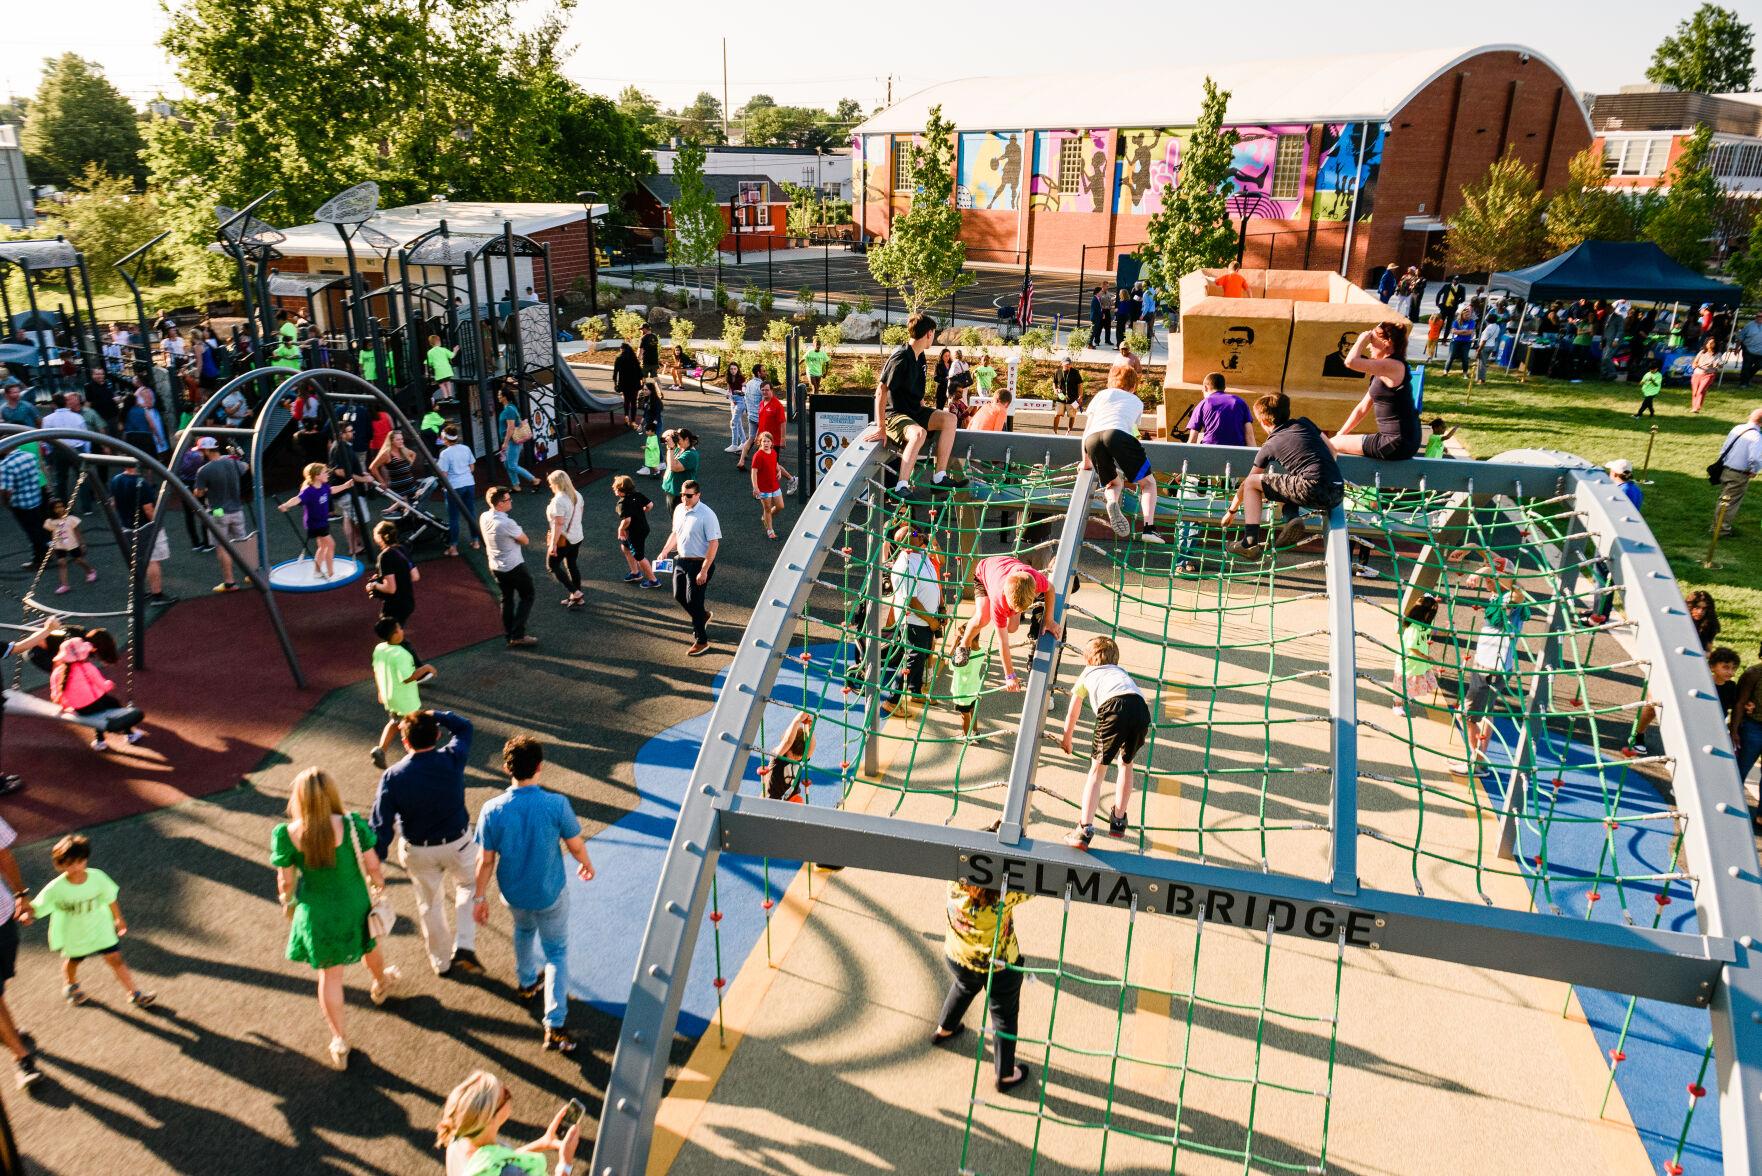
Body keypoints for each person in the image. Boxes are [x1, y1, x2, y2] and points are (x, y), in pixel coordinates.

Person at [272, 767, 401, 1069]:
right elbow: (373, 866)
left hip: (316, 912)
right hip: (353, 903)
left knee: (330, 976)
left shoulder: (286, 834)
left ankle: (339, 1040)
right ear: (331, 793)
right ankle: (381, 983)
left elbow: (286, 883)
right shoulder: (351, 825)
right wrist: (378, 886)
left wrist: (287, 901)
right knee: (370, 944)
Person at [473, 736, 594, 1052]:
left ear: (506, 768)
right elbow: (575, 843)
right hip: (549, 892)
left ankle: (527, 982)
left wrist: (479, 897)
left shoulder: (491, 810)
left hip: (513, 893)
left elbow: (485, 861)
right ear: (540, 767)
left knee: (523, 930)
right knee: (556, 952)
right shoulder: (555, 805)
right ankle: (555, 1024)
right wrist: (585, 864)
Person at [370, 706, 486, 982]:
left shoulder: (393, 777)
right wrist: (437, 714)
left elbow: (381, 824)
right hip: (457, 842)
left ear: (405, 742)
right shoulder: (452, 758)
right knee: (469, 885)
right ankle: (465, 945)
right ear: (436, 735)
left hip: (418, 850)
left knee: (429, 903)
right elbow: (465, 726)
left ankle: (441, 962)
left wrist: (376, 860)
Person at [931, 881, 1031, 1094]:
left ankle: (945, 1029)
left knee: (963, 987)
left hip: (959, 957)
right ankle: (1004, 1074)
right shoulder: (1006, 894)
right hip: (1001, 966)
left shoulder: (954, 884)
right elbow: (1033, 888)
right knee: (1004, 1016)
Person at [35, 835, 154, 1010]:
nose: (75, 867)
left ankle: (134, 993)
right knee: (74, 960)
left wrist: (118, 918)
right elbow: (39, 906)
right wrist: (26, 914)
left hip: (101, 929)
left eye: (80, 862)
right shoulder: (56, 888)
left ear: (86, 860)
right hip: (75, 933)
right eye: (69, 864)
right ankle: (70, 984)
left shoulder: (97, 877)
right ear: (59, 865)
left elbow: (110, 898)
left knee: (115, 958)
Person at [1223, 393, 1346, 556]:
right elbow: (1333, 450)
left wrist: (1231, 511)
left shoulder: (1269, 445)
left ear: (1265, 421)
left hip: (1311, 487)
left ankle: (1250, 541)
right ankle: (1291, 517)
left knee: (1253, 482)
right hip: (1337, 491)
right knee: (1281, 485)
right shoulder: (1304, 422)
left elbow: (1247, 484)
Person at [1057, 636, 1150, 849]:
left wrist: (1067, 737)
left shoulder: (1088, 672)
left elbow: (1074, 709)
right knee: (1126, 764)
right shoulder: (1121, 672)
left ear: (1088, 659)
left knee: (1097, 772)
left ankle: (1084, 829)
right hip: (1140, 708)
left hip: (1113, 708)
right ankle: (1118, 819)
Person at [865, 315, 965, 495]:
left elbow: (916, 388)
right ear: (929, 333)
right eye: (933, 334)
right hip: (895, 414)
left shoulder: (920, 356)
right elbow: (880, 391)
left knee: (950, 419)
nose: (933, 338)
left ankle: (939, 477)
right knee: (919, 433)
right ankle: (901, 485)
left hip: (914, 410)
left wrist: (926, 411)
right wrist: (880, 427)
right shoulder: (901, 357)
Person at [435, 1070, 581, 1176]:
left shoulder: (458, 1141)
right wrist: (565, 1164)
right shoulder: (507, 1173)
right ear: (490, 1119)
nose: (509, 1093)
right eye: (505, 1094)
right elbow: (509, 1167)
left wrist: (544, 1142)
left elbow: (507, 1159)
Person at [947, 554, 1060, 690]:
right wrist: (1010, 676)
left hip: (1008, 568)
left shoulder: (1035, 579)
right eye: (1012, 608)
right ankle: (964, 644)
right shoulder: (998, 600)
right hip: (984, 573)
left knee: (1012, 628)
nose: (1013, 611)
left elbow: (1051, 589)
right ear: (1006, 596)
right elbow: (1003, 642)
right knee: (983, 618)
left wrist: (1049, 620)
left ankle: (1012, 610)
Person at [1084, 368, 1164, 544]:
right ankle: (1149, 528)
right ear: (1134, 385)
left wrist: (1086, 463)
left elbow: (1087, 430)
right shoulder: (1135, 401)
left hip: (1092, 439)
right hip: (1118, 435)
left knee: (1113, 482)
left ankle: (1111, 502)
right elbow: (1131, 431)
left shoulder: (1101, 395)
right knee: (1148, 484)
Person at [878, 524, 943, 717]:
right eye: (914, 534)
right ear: (905, 542)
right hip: (914, 621)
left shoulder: (922, 556)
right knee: (912, 660)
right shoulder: (904, 565)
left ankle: (915, 692)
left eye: (917, 531)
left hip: (928, 618)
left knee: (920, 657)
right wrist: (931, 620)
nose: (920, 534)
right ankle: (891, 701)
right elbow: (911, 601)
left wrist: (940, 608)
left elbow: (934, 582)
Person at [1333, 323, 1421, 461]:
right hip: (1399, 440)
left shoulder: (1393, 365)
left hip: (1397, 441)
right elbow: (1362, 408)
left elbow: (1350, 362)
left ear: (1386, 343)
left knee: (1330, 444)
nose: (1368, 346)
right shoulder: (1382, 370)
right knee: (1335, 441)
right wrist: (1341, 434)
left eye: (1371, 341)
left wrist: (1361, 339)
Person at [49, 628, 144, 750]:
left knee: (98, 712)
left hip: (81, 709)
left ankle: (100, 741)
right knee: (113, 703)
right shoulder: (87, 667)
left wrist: (67, 707)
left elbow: (56, 693)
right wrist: (109, 684)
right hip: (95, 705)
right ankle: (129, 733)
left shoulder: (57, 672)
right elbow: (102, 685)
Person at [655, 480, 720, 657]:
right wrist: (665, 551)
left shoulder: (707, 515)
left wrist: (704, 570)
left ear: (698, 495)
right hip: (682, 560)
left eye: (689, 495)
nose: (684, 498)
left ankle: (702, 640)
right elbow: (675, 533)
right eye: (682, 495)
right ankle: (702, 616)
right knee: (678, 595)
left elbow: (714, 544)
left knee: (693, 601)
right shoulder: (678, 509)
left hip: (700, 563)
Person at [368, 614, 437, 765]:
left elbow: (376, 670)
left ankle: (381, 749)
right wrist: (426, 668)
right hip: (405, 700)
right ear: (394, 634)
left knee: (394, 722)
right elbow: (408, 677)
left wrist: (380, 691)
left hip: (389, 696)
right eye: (399, 628)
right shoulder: (401, 654)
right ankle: (416, 756)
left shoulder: (379, 649)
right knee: (412, 728)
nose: (401, 630)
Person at [194, 437, 253, 591]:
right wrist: (238, 455)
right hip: (237, 509)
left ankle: (229, 582)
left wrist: (203, 489)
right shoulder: (233, 462)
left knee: (222, 547)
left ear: (207, 450)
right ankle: (251, 574)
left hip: (218, 511)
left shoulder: (204, 470)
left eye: (201, 450)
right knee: (242, 542)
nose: (200, 454)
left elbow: (199, 493)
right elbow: (247, 466)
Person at [480, 486, 537, 647]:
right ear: (499, 504)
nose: (510, 501)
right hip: (514, 566)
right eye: (507, 500)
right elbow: (525, 540)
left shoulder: (484, 517)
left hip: (496, 566)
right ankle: (518, 634)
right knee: (528, 595)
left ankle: (509, 633)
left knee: (507, 599)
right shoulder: (506, 523)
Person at [109, 462, 171, 603]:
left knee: (137, 560)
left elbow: (113, 503)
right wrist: (157, 525)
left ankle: (140, 592)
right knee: (152, 559)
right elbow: (148, 509)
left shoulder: (116, 479)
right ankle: (157, 594)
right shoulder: (141, 483)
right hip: (145, 527)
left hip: (126, 526)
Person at [277, 462, 336, 579]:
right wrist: (286, 505)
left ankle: (317, 571)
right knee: (331, 545)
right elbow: (297, 499)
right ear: (317, 476)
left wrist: (346, 485)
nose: (328, 474)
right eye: (325, 472)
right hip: (315, 524)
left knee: (323, 547)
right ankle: (331, 573)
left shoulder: (324, 486)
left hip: (323, 522)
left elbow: (332, 490)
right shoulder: (309, 491)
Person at [1712, 407, 1762, 536]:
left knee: (1723, 499)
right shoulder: (1756, 436)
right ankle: (1721, 529)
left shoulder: (1737, 428)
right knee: (1729, 502)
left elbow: (1724, 448)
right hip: (1739, 474)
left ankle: (1717, 526)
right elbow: (1755, 458)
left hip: (1726, 469)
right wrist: (1754, 470)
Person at [1730, 641, 1762, 830]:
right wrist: (1734, 730)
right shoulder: (1754, 674)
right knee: (1739, 770)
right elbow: (1740, 703)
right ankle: (1731, 807)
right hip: (1752, 728)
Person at [0, 446, 48, 570]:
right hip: (35, 498)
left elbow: (7, 490)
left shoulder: (6, 464)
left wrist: (6, 503)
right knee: (39, 527)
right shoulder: (29, 456)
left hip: (21, 503)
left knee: (32, 531)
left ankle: (40, 560)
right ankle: (47, 552)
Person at [1393, 594, 1440, 716]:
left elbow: (1431, 630)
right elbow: (1411, 647)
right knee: (1403, 684)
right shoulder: (1414, 627)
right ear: (1425, 613)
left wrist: (1446, 631)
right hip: (1409, 662)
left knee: (1414, 682)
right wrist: (1426, 657)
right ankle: (1397, 705)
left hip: (1417, 662)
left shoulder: (1422, 625)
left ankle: (1407, 696)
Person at [435, 425, 479, 557]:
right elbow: (472, 467)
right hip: (469, 484)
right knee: (471, 513)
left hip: (454, 487)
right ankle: (476, 541)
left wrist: (444, 485)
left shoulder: (444, 453)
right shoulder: (466, 448)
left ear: (445, 438)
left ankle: (453, 547)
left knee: (454, 517)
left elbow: (444, 474)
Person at [544, 470, 585, 608]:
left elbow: (559, 523)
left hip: (564, 539)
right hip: (577, 536)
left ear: (557, 484)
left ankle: (575, 592)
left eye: (551, 483)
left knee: (552, 565)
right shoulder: (577, 495)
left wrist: (553, 544)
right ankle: (577, 597)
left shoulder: (558, 500)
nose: (550, 486)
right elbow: (581, 513)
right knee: (572, 565)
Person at [612, 474, 659, 587]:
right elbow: (650, 505)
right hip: (643, 528)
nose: (613, 489)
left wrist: (620, 529)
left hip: (635, 532)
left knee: (639, 556)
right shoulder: (637, 495)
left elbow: (627, 520)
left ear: (619, 490)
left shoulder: (622, 504)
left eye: (615, 488)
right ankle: (635, 573)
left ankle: (653, 580)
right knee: (625, 547)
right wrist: (642, 510)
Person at [43, 499, 97, 596]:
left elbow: (77, 532)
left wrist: (82, 543)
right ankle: (64, 584)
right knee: (61, 563)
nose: (60, 509)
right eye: (56, 507)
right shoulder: (50, 522)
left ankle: (90, 571)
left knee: (79, 560)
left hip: (73, 544)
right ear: (52, 510)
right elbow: (49, 534)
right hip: (59, 546)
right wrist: (51, 545)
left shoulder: (70, 519)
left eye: (61, 506)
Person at [1186, 372, 1252, 447]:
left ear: (1205, 388)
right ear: (1224, 388)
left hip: (1210, 451)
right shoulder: (1239, 402)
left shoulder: (1203, 404)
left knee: (1201, 436)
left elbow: (1192, 440)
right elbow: (1250, 438)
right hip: (1237, 452)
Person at [496, 385, 541, 494]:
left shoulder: (509, 410)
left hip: (512, 441)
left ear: (505, 397)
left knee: (512, 465)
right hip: (511, 441)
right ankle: (516, 485)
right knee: (507, 464)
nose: (498, 396)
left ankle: (535, 480)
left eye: (499, 395)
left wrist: (505, 443)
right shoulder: (510, 407)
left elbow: (511, 427)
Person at [750, 432, 793, 541]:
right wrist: (755, 487)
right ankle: (770, 530)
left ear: (771, 443)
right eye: (764, 441)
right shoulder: (758, 455)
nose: (766, 443)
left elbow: (775, 463)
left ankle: (765, 518)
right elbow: (754, 472)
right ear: (760, 442)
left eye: (768, 441)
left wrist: (778, 470)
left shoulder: (773, 452)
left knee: (780, 506)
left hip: (774, 485)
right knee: (767, 508)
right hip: (763, 488)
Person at [660, 427, 700, 515]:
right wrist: (671, 433)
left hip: (681, 495)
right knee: (674, 517)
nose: (676, 441)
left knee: (679, 519)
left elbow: (673, 467)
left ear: (686, 439)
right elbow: (663, 437)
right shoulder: (680, 448)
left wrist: (670, 448)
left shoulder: (691, 455)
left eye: (678, 439)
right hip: (672, 491)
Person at [1050, 357, 1082, 435]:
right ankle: (1055, 432)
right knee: (1057, 414)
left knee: (1072, 415)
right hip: (1060, 398)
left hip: (1073, 398)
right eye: (1066, 364)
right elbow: (1054, 382)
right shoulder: (1058, 372)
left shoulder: (1075, 372)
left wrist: (1080, 396)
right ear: (1062, 364)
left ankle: (1069, 431)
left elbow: (1080, 385)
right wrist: (1055, 390)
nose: (1068, 365)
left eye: (1069, 364)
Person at [720, 361, 746, 452]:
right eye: (731, 369)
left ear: (738, 369)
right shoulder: (729, 378)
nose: (733, 370)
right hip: (732, 401)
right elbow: (729, 389)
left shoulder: (741, 378)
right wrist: (728, 394)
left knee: (733, 423)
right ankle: (743, 442)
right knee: (738, 423)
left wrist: (741, 392)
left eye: (735, 369)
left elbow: (744, 389)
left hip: (740, 402)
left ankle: (734, 444)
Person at [1690, 337, 1720, 414]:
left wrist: (1717, 365)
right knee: (1695, 392)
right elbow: (1694, 362)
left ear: (1715, 344)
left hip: (1709, 375)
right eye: (1708, 343)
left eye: (1712, 343)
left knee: (1701, 391)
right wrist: (1695, 365)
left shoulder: (1717, 354)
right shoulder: (1701, 352)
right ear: (1706, 344)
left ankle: (1697, 408)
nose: (1710, 344)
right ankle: (1694, 407)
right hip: (1697, 374)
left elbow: (1718, 364)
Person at [426, 334, 458, 402]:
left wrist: (428, 369)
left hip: (439, 371)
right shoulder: (443, 349)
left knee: (442, 384)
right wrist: (455, 350)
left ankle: (446, 397)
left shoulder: (429, 352)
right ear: (438, 342)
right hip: (447, 370)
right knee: (448, 382)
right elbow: (452, 356)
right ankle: (450, 396)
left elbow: (429, 363)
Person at [1738, 311, 1762, 387]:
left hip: (1761, 352)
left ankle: (1746, 379)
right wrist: (1736, 348)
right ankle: (1743, 383)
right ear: (1755, 317)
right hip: (1748, 349)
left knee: (1759, 365)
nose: (1759, 318)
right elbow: (1740, 337)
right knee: (1746, 366)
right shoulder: (1749, 325)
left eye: (1761, 316)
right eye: (1758, 316)